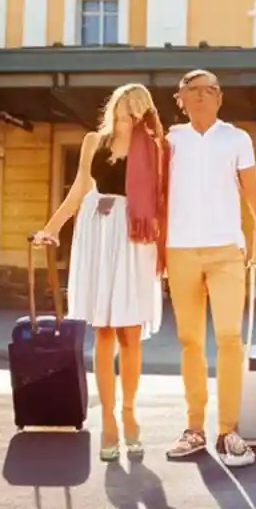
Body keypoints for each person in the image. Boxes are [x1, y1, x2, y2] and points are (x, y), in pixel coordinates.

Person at [31, 83, 169, 463]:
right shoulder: (93, 141)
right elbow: (78, 191)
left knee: (130, 333)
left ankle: (129, 413)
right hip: (97, 234)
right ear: (115, 107)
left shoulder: (155, 148)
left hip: (133, 238)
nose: (129, 117)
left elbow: (162, 199)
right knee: (103, 332)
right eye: (125, 109)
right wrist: (52, 228)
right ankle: (107, 418)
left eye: (137, 111)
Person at [163, 69, 256, 468]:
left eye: (210, 90)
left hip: (227, 251)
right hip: (179, 249)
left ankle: (228, 431)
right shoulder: (169, 140)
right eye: (193, 90)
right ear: (179, 97)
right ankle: (194, 429)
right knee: (190, 340)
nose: (202, 96)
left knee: (230, 338)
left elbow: (252, 192)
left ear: (220, 98)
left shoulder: (236, 138)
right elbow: (153, 193)